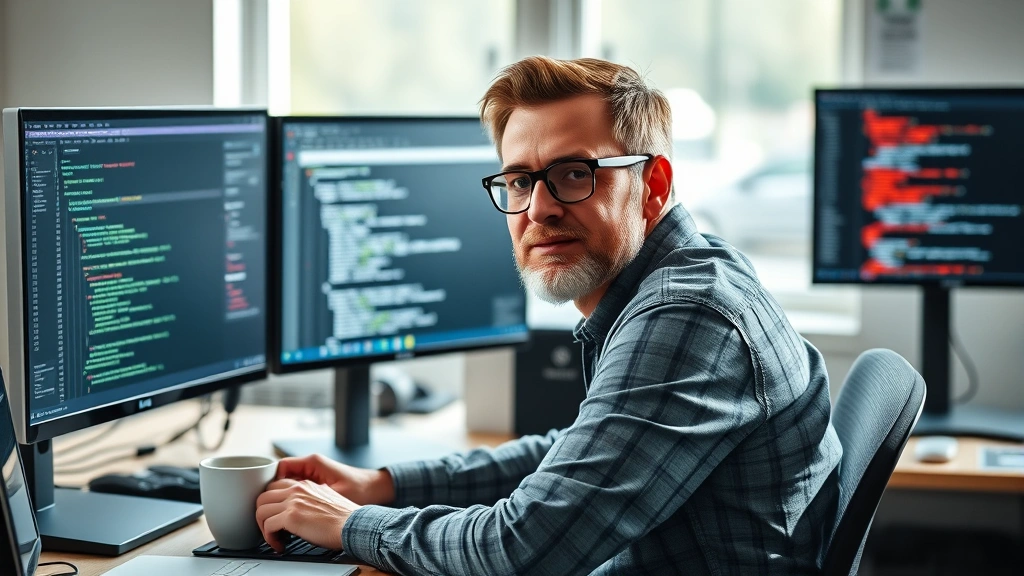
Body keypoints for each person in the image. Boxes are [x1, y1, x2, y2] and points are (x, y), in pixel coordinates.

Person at [256, 56, 842, 575]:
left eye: (572, 175)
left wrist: (352, 524)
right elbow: (577, 457)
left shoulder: (688, 316)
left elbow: (527, 549)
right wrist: (383, 485)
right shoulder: (682, 276)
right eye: (519, 180)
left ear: (652, 184)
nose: (538, 208)